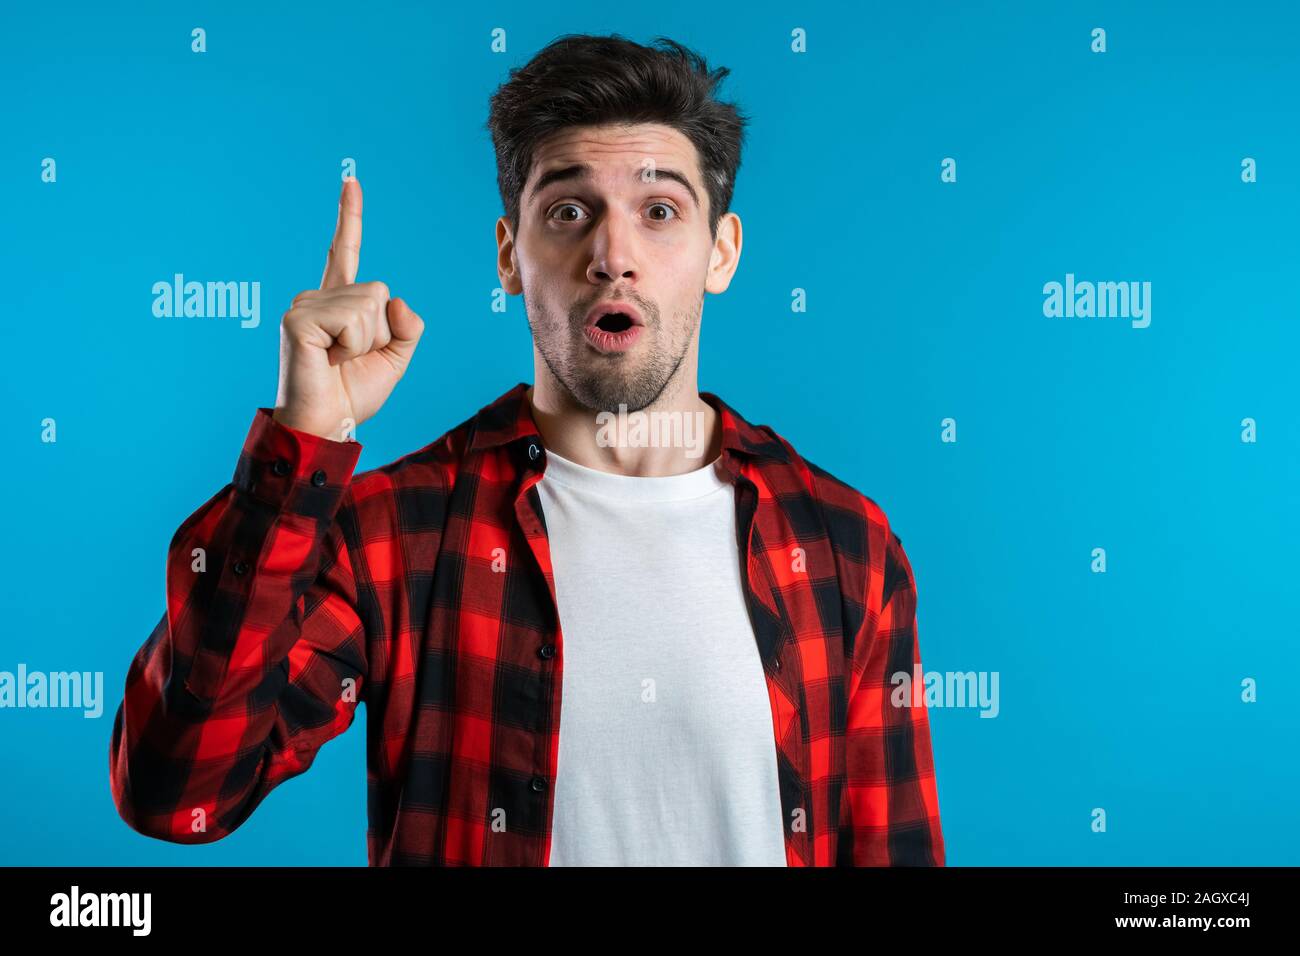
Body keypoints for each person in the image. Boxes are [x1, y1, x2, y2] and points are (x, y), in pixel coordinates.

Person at [109, 33, 945, 867]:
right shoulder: (396, 535)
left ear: (720, 252)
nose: (612, 257)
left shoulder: (845, 547)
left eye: (659, 212)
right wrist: (302, 450)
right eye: (569, 212)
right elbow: (177, 795)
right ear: (512, 256)